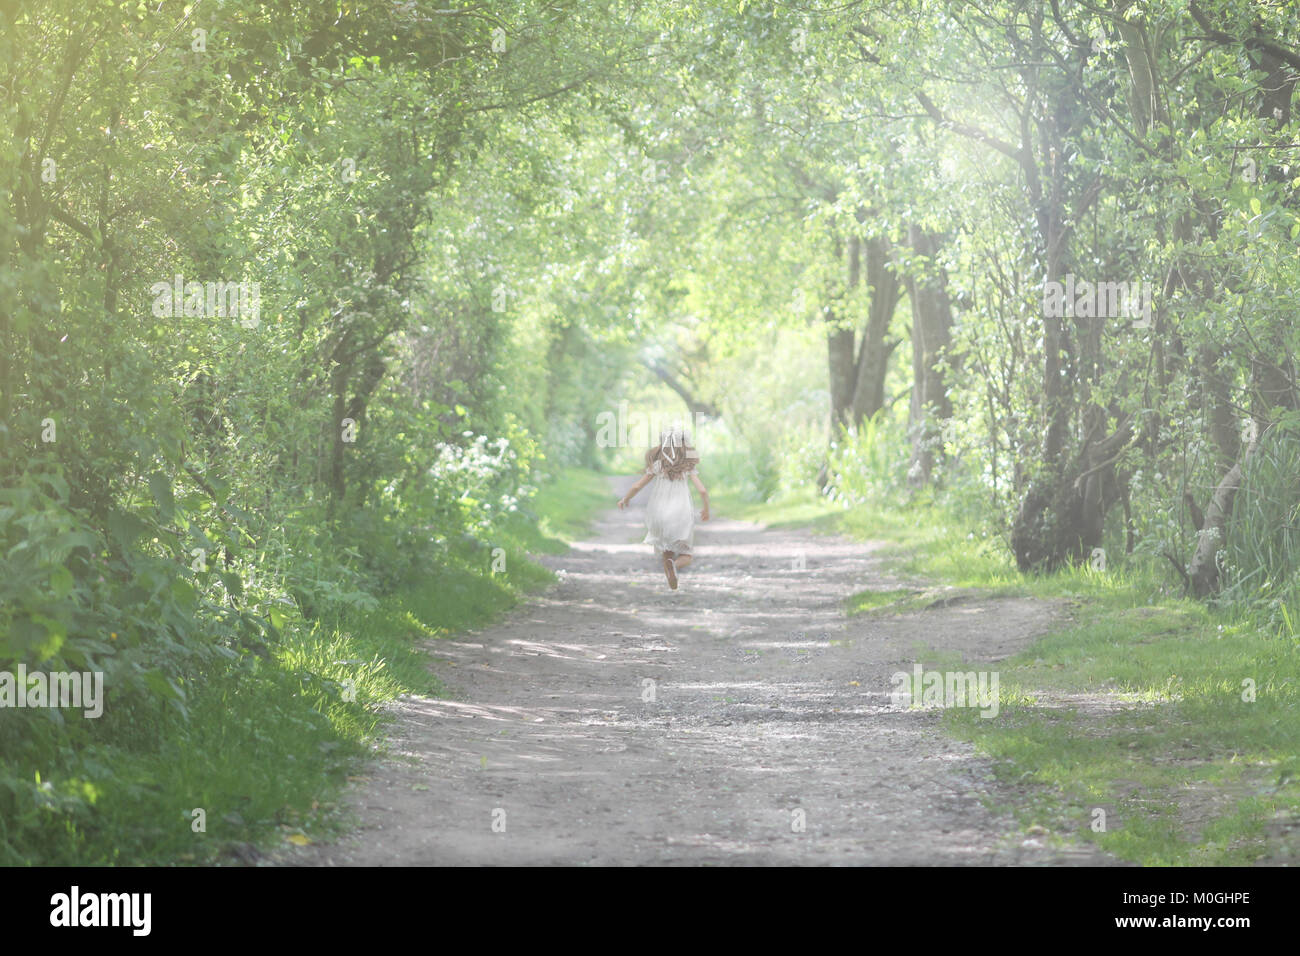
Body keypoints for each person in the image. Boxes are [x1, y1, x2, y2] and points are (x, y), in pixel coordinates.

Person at [617, 426, 710, 590]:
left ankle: (671, 575)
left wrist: (625, 498)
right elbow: (702, 490)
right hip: (680, 512)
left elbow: (638, 486)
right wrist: (706, 509)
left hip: (658, 512)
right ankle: (675, 566)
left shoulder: (658, 465)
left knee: (666, 551)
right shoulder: (687, 467)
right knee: (686, 554)